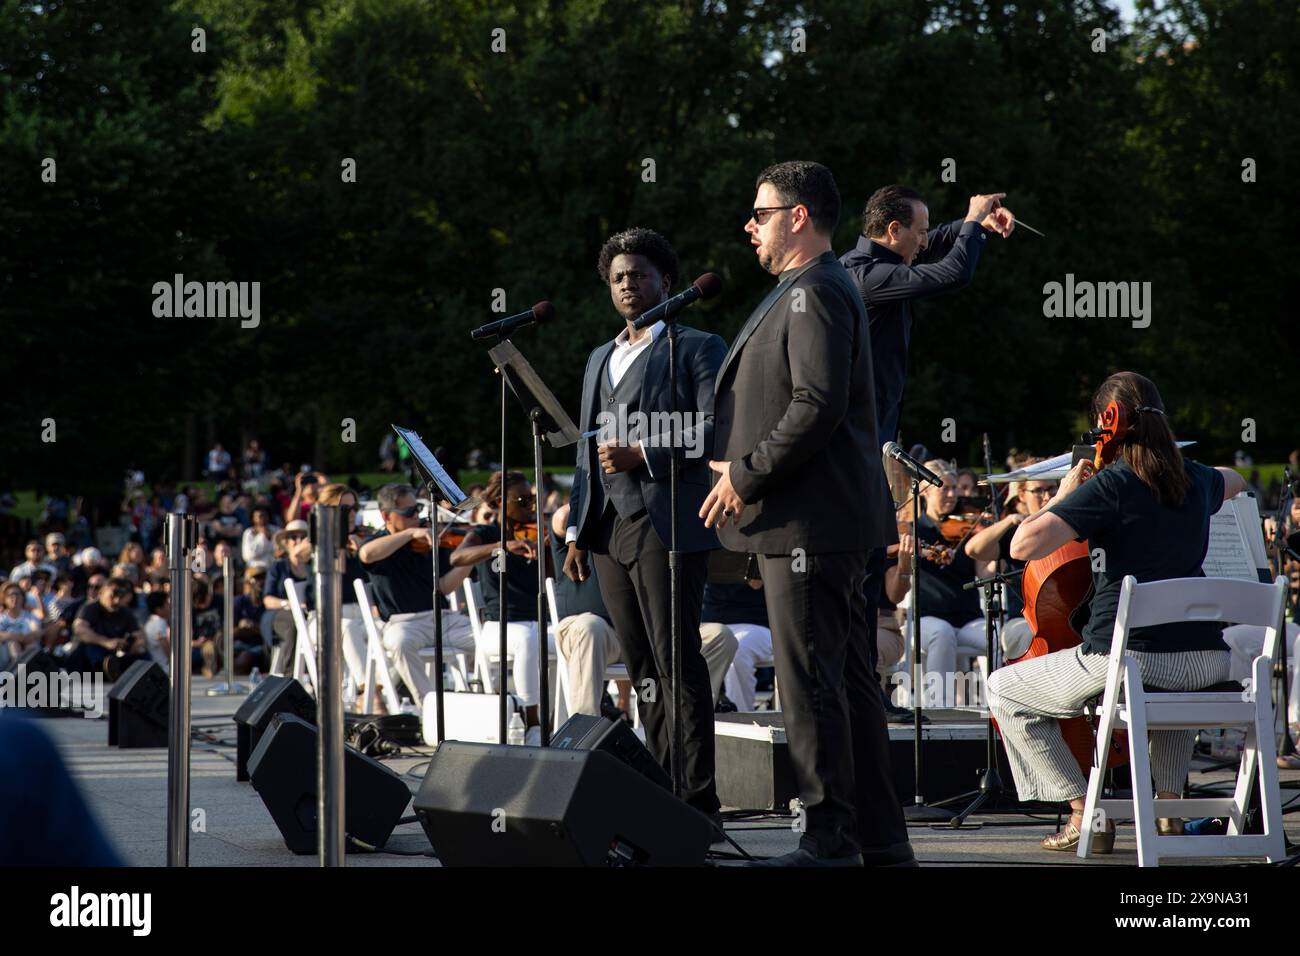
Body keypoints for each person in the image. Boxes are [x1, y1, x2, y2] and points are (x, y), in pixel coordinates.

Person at [704, 160, 911, 867]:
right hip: (824, 523)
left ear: (797, 217)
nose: (748, 226)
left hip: (810, 526)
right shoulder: (813, 288)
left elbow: (816, 403)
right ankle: (880, 839)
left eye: (759, 213)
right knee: (848, 683)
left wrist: (746, 473)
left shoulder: (816, 290)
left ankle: (829, 837)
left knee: (813, 684)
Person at [988, 371, 1244, 852]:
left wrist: (1065, 494)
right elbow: (1237, 478)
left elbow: (1023, 544)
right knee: (1172, 677)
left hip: (1126, 660)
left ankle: (1086, 813)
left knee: (1002, 688)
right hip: (1207, 660)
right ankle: (1167, 810)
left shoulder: (1113, 484)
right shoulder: (1198, 479)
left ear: (1110, 424)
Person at [562, 226, 728, 822]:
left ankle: (698, 804)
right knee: (640, 669)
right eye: (618, 278)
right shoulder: (597, 358)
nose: (629, 284)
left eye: (639, 274)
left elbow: (716, 429)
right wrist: (579, 530)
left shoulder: (696, 346)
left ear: (666, 282)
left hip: (666, 523)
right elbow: (585, 450)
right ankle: (661, 792)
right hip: (607, 531)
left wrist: (646, 450)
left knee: (676, 662)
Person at [552, 504, 736, 717]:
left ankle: (685, 717)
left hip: (648, 632)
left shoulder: (648, 530)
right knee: (589, 627)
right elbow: (562, 517)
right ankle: (585, 731)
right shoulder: (578, 527)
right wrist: (597, 501)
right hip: (600, 635)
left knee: (721, 637)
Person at [453, 472, 554, 741]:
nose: (531, 506)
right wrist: (502, 546)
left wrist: (551, 551)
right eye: (522, 500)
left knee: (566, 639)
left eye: (533, 499)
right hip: (500, 627)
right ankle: (531, 718)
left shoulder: (539, 533)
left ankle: (561, 721)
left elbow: (556, 578)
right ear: (499, 502)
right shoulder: (484, 533)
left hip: (542, 623)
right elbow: (457, 557)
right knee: (528, 640)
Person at [359, 484, 475, 708]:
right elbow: (367, 553)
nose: (416, 517)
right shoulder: (379, 542)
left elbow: (443, 586)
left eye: (417, 511)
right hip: (404, 624)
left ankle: (477, 701)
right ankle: (429, 707)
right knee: (400, 643)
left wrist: (469, 562)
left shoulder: (427, 542)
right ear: (386, 516)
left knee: (485, 639)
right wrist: (410, 533)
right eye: (408, 512)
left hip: (443, 620)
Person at [964, 463, 1056, 661]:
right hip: (1023, 621)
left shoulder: (1067, 527)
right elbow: (973, 549)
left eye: (1051, 488)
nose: (1047, 496)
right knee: (1028, 635)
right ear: (1022, 495)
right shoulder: (1016, 534)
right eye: (1038, 490)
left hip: (1063, 618)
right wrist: (1007, 522)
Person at [67, 576, 149, 679]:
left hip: (112, 655)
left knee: (143, 655)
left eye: (121, 595)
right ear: (103, 592)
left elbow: (140, 636)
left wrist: (130, 645)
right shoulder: (90, 608)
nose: (116, 599)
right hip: (88, 657)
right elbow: (80, 630)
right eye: (113, 594)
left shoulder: (125, 612)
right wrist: (106, 642)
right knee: (91, 649)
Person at [0, 582, 42, 670]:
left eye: (18, 594)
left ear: (23, 598)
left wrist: (21, 638)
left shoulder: (30, 616)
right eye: (10, 595)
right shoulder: (2, 618)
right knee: (12, 644)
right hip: (5, 658)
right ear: (4, 599)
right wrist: (15, 636)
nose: (14, 598)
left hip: (27, 649)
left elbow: (37, 631)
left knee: (32, 645)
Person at [143, 591, 171, 673]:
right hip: (164, 666)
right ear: (159, 609)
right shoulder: (160, 622)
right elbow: (164, 643)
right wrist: (173, 660)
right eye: (167, 604)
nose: (170, 606)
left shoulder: (150, 621)